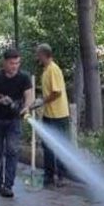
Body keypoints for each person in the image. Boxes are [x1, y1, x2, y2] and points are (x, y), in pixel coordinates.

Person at [0, 48, 34, 198]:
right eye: (12, 63)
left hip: (14, 121)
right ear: (4, 62)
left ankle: (8, 186)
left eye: (17, 63)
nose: (15, 66)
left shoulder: (24, 78)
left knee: (12, 151)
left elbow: (29, 96)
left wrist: (25, 108)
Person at [36, 43, 70, 188]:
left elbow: (57, 92)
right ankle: (49, 176)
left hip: (59, 115)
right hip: (49, 114)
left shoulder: (53, 70)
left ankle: (61, 176)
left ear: (43, 55)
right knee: (48, 146)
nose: (36, 57)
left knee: (59, 145)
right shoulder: (46, 70)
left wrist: (42, 101)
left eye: (37, 55)